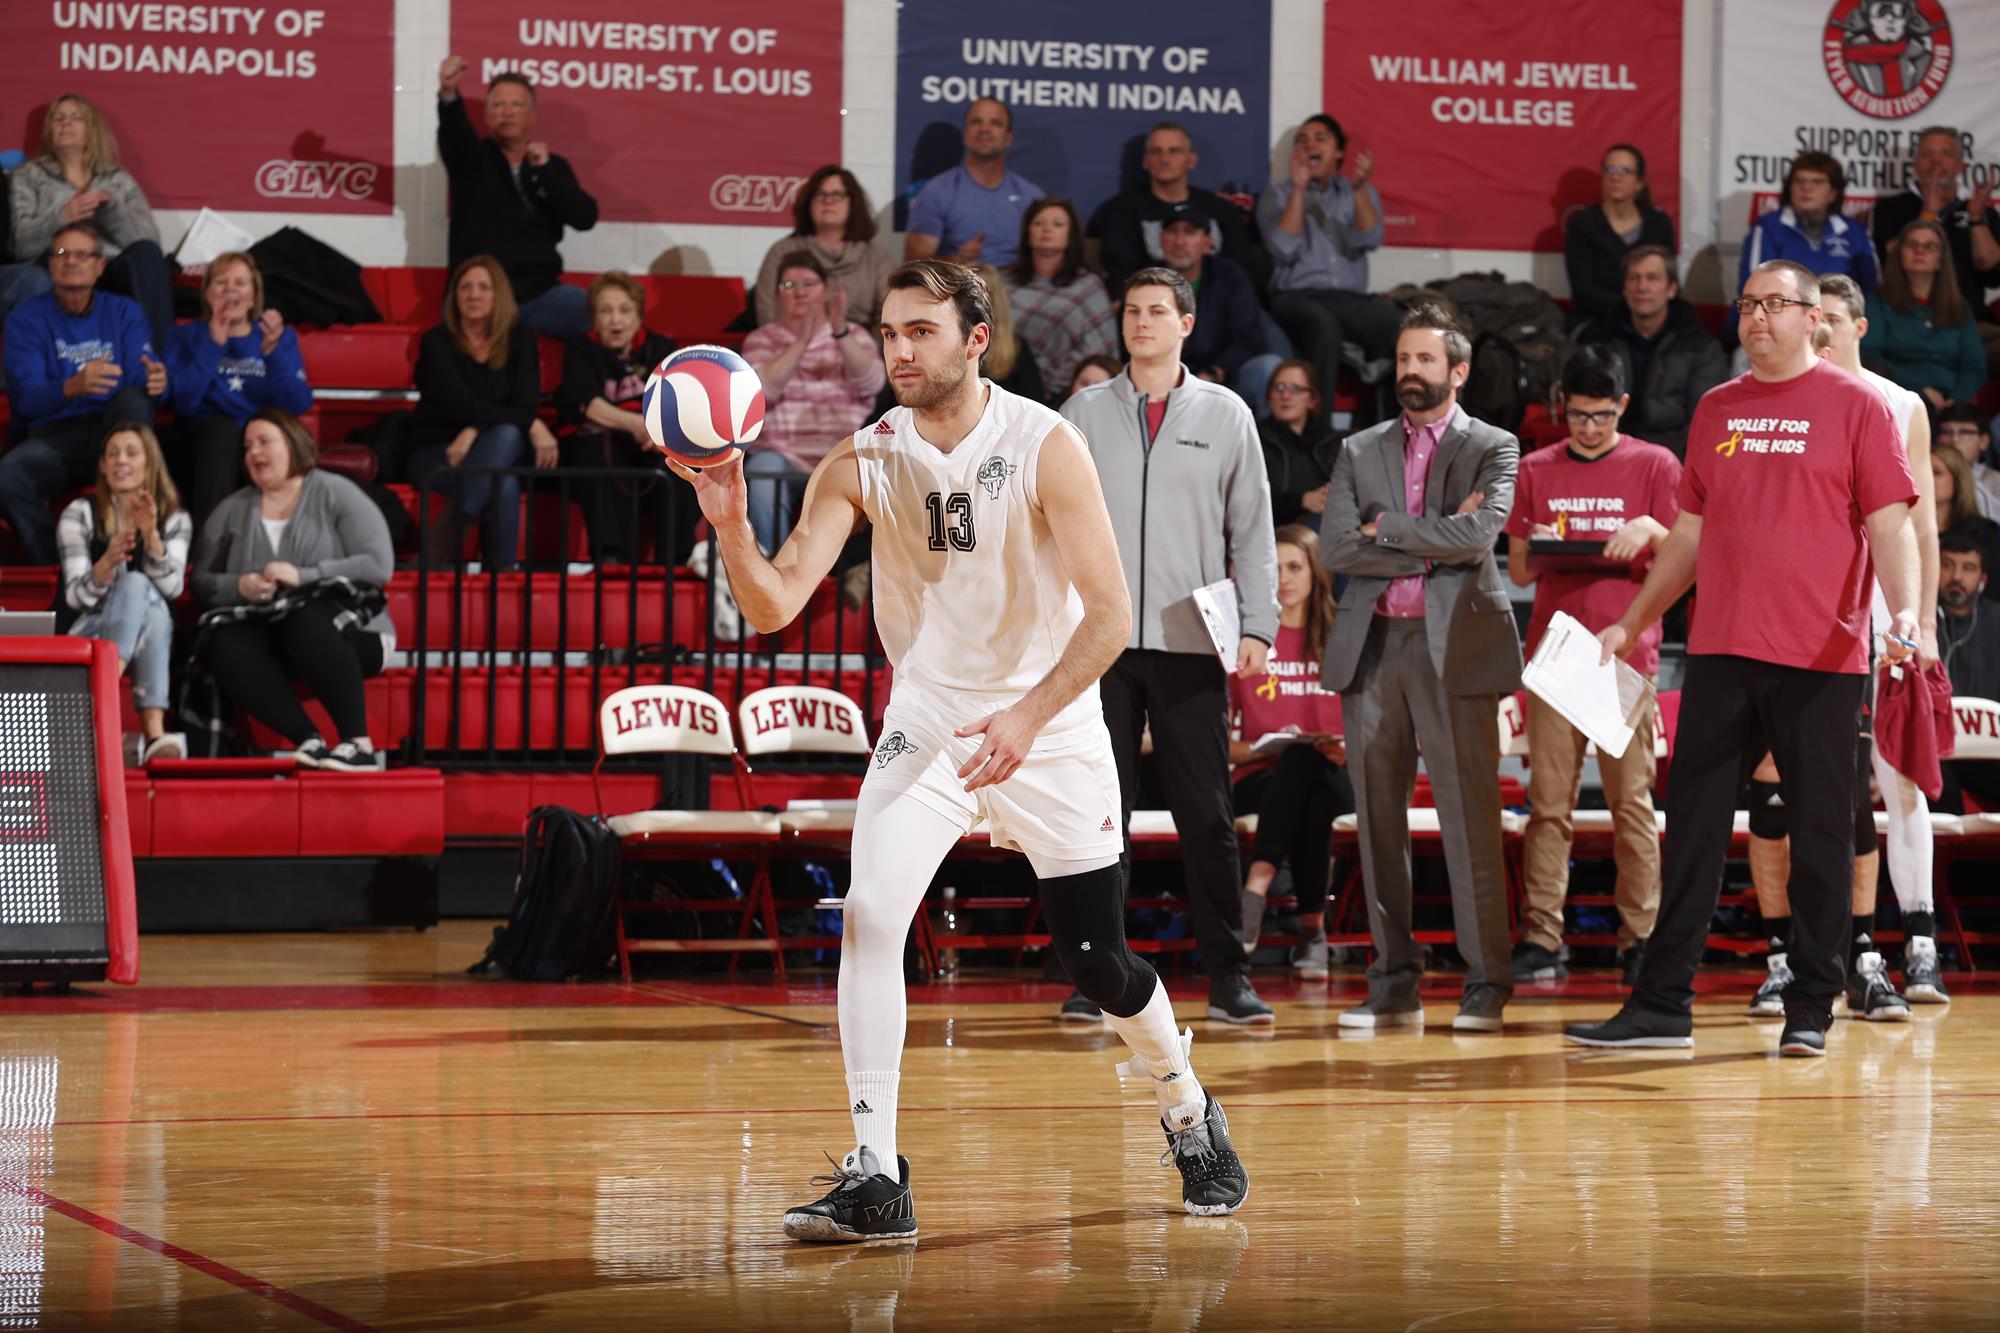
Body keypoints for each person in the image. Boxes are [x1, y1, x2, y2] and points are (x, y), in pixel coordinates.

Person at [669, 258, 1249, 1239]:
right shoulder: (860, 459)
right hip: (931, 724)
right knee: (868, 916)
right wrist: (728, 523)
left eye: (920, 332)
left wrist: (1025, 718)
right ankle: (874, 1173)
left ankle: (1185, 1103)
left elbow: (1109, 618)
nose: (898, 350)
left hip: (1049, 727)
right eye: (889, 332)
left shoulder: (1044, 443)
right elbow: (770, 606)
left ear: (975, 339)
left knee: (1095, 961)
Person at [1565, 259, 1923, 1058]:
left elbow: (1892, 521)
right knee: (1691, 828)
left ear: (1813, 320)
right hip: (1722, 652)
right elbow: (1688, 535)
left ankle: (1810, 1005)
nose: (1758, 317)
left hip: (1821, 656)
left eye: (1776, 305)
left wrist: (1903, 612)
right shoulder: (1716, 408)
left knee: (1822, 836)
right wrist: (1632, 619)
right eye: (1749, 305)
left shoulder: (1860, 406)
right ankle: (1661, 1003)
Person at [1064, 266, 1279, 1026]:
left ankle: (1228, 975)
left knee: (1208, 815)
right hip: (1100, 639)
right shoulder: (1083, 411)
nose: (1142, 321)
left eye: (1158, 310)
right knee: (1096, 813)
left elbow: (1253, 529)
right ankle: (1098, 974)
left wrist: (1260, 625)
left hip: (1192, 639)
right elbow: (1042, 522)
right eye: (1132, 310)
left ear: (1187, 323)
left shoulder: (1226, 414)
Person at [1322, 303, 1523, 1033]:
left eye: (1426, 360)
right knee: (1377, 822)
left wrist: (1391, 529)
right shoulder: (1359, 448)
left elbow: (1477, 537)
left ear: (1457, 370)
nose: (1410, 370)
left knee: (1469, 818)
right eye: (1404, 359)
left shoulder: (1494, 445)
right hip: (1374, 645)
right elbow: (1337, 550)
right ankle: (1393, 979)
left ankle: (1486, 982)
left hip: (1455, 648)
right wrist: (1428, 539)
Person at [1504, 347, 1679, 987]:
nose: (1588, 429)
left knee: (1631, 803)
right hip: (1557, 654)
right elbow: (1521, 567)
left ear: (1623, 407)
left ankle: (1641, 938)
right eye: (1578, 416)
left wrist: (1652, 530)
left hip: (1624, 654)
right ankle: (1543, 938)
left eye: (1602, 416)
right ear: (1561, 407)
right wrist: (1556, 544)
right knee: (1549, 806)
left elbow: (1687, 557)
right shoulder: (1536, 467)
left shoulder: (1655, 464)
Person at [1819, 272, 1945, 1009]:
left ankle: (1920, 942)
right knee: (1835, 787)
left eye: (1834, 318)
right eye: (1817, 319)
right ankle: (1849, 946)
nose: (1824, 331)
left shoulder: (1902, 404)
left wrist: (1920, 618)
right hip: (1823, 619)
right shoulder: (1796, 404)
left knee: (1901, 779)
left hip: (1889, 615)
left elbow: (1921, 525)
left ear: (1860, 327)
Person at [192, 410, 396, 772]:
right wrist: (239, 585)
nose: (254, 452)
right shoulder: (230, 509)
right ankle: (308, 740)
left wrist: (305, 576)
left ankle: (357, 743)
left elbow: (378, 564)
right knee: (221, 639)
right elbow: (202, 584)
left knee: (305, 616)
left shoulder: (336, 491)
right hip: (274, 634)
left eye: (264, 441)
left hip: (353, 632)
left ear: (293, 444)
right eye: (247, 446)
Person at [0, 220, 164, 565]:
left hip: (112, 430)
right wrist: (72, 386)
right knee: (8, 476)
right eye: (61, 253)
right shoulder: (26, 318)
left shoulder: (124, 312)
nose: (70, 261)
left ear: (99, 266)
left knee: (133, 405)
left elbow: (139, 377)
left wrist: (159, 382)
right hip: (55, 437)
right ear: (50, 264)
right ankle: (58, 568)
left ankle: (136, 560)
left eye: (81, 254)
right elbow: (26, 398)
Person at [1229, 523, 1352, 978]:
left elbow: (1373, 728)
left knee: (1310, 766)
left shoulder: (1344, 636)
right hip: (1259, 780)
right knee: (1303, 774)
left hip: (1338, 774)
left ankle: (1257, 884)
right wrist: (1262, 748)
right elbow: (1221, 743)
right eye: (1274, 568)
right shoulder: (1248, 641)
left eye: (1295, 566)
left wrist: (1345, 746)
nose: (1284, 578)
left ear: (1315, 571)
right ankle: (1313, 932)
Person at [407, 255, 555, 568]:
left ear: (498, 294)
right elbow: (461, 405)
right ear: (454, 296)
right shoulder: (437, 341)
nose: (473, 295)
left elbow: (525, 403)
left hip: (491, 448)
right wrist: (531, 423)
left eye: (484, 287)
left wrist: (473, 430)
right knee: (504, 481)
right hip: (438, 451)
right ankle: (500, 583)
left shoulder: (521, 339)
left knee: (505, 440)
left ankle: (438, 550)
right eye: (466, 287)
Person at [436, 58, 599, 341]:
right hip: (482, 295)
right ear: (487, 116)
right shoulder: (470, 160)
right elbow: (455, 135)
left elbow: (585, 218)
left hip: (540, 295)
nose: (507, 113)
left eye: (517, 105)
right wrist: (449, 94)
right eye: (498, 105)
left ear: (532, 115)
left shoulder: (552, 166)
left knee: (601, 311)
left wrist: (545, 171)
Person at [57, 424, 192, 763]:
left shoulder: (174, 518)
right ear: (102, 465)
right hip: (87, 628)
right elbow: (75, 598)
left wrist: (152, 537)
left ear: (150, 462)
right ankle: (154, 732)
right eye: (112, 453)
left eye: (132, 452)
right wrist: (106, 563)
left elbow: (172, 588)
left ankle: (101, 696)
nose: (121, 460)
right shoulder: (79, 513)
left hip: (147, 633)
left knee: (148, 599)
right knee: (139, 591)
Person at [740, 253, 886, 553]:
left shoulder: (853, 334)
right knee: (763, 474)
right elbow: (761, 392)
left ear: (827, 290)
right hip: (782, 457)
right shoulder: (762, 338)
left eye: (809, 283)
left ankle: (850, 578)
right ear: (777, 294)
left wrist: (840, 332)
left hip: (840, 458)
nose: (800, 291)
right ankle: (770, 578)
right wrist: (800, 343)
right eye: (790, 284)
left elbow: (873, 383)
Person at [7, 93, 174, 348]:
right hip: (60, 255)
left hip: (107, 260)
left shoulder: (117, 178)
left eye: (76, 117)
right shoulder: (28, 176)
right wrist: (63, 216)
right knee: (63, 252)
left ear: (91, 129)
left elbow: (148, 242)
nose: (66, 123)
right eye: (58, 118)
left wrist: (111, 211)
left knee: (146, 255)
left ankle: (155, 360)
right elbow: (21, 246)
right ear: (49, 130)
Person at [1257, 115, 1402, 408]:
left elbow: (1370, 238)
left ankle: (1395, 432)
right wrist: (1299, 190)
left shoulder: (1357, 192)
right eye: (1302, 139)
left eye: (1320, 138)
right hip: (1295, 298)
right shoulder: (1278, 194)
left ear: (1338, 152)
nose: (1309, 144)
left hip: (1349, 300)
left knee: (1394, 322)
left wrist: (1359, 189)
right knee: (1323, 326)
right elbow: (1283, 247)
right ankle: (1317, 439)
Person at [555, 271, 696, 566]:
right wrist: (634, 424)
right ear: (594, 318)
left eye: (624, 310)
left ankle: (677, 560)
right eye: (605, 311)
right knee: (597, 453)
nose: (615, 320)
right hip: (603, 441)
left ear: (638, 316)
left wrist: (657, 434)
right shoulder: (581, 350)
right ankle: (611, 557)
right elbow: (585, 402)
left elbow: (678, 402)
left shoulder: (662, 349)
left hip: (652, 443)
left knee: (679, 461)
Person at [164, 251, 315, 526]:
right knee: (220, 433)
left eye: (240, 282)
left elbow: (296, 405)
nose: (230, 288)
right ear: (207, 293)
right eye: (221, 282)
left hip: (256, 444)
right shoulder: (183, 336)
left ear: (253, 297)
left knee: (267, 442)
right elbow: (183, 403)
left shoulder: (278, 338)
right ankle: (211, 551)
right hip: (200, 445)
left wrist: (273, 354)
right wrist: (212, 346)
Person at [1571, 245, 1728, 457]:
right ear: (1625, 289)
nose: (1641, 287)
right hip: (1607, 457)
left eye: (1652, 278)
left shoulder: (1701, 347)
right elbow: (1584, 410)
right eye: (1634, 278)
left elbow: (1706, 424)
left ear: (1671, 289)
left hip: (1675, 459)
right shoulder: (1599, 341)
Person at [1869, 126, 2000, 372]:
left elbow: (1992, 274)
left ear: (1961, 166)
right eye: (1928, 154)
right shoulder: (1890, 208)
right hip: (1903, 322)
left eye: (1946, 154)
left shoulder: (1979, 210)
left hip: (1968, 323)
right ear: (1916, 165)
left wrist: (1976, 220)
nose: (1937, 161)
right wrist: (1928, 212)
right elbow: (1889, 262)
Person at [1091, 121, 1259, 294]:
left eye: (1174, 151)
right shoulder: (1122, 210)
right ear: (1146, 161)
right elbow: (1121, 274)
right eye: (1156, 151)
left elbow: (1244, 269)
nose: (1164, 159)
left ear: (1191, 161)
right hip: (1155, 305)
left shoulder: (1220, 209)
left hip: (1221, 304)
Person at [1157, 202, 1280, 411]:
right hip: (1164, 383)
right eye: (1172, 232)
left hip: (1224, 378)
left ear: (1207, 243)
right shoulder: (1149, 281)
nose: (1179, 241)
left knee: (1267, 367)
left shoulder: (1230, 276)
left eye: (1189, 232)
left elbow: (1247, 337)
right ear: (1161, 241)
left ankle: (1269, 442)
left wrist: (1215, 372)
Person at [1002, 198, 1119, 403]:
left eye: (1057, 224)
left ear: (1070, 236)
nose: (1047, 229)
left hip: (1059, 397)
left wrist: (1046, 383)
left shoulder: (1088, 287)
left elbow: (1097, 352)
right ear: (1028, 233)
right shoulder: (1004, 280)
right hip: (1000, 385)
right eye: (1039, 223)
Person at [1863, 218, 1984, 414]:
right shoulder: (1878, 301)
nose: (1920, 251)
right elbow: (1869, 355)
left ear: (1941, 259)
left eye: (1930, 246)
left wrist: (1956, 400)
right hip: (1897, 396)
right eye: (1912, 244)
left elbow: (1975, 364)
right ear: (1899, 253)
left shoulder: (1959, 307)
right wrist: (1918, 390)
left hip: (1951, 402)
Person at [904, 98, 1041, 269]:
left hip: (1018, 291)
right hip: (959, 289)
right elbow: (913, 263)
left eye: (995, 123)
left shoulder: (1031, 196)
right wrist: (957, 260)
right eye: (976, 122)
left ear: (1008, 138)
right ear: (965, 133)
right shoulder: (937, 192)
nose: (984, 129)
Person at [754, 166, 895, 329]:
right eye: (820, 194)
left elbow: (889, 316)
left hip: (859, 348)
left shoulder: (876, 256)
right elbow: (767, 313)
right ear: (808, 203)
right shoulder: (782, 251)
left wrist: (868, 350)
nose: (828, 201)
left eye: (837, 194)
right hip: (791, 346)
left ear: (853, 202)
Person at [1563, 143, 1678, 328]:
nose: (1616, 177)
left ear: (1639, 182)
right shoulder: (1583, 224)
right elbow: (1582, 290)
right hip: (1596, 320)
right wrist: (1633, 308)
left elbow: (1669, 280)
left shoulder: (1659, 223)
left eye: (1625, 170)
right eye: (1610, 169)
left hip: (1651, 318)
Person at [1737, 151, 1878, 295]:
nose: (1806, 188)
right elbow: (1754, 288)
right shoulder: (1768, 227)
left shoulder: (1855, 231)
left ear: (1833, 193)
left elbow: (1872, 290)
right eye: (1799, 181)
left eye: (1817, 182)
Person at [1938, 532, 2000, 817]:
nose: (1956, 577)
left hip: (1991, 747)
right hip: (1937, 750)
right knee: (1936, 785)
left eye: (1968, 568)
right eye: (1947, 565)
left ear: (1983, 579)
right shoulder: (1918, 621)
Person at [1258, 359, 1338, 531]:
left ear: (1312, 400)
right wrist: (1303, 500)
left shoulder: (1329, 441)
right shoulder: (1255, 438)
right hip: (1274, 530)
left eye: (1295, 389)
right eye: (1279, 388)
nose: (1286, 396)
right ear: (1269, 398)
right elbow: (1249, 501)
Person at [967, 263, 1046, 403]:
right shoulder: (943, 342)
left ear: (995, 300)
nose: (972, 302)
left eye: (981, 294)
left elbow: (1035, 401)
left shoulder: (1017, 346)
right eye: (966, 294)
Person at [1934, 443, 2000, 602]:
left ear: (1957, 479)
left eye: (1936, 472)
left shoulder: (1986, 534)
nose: (1925, 478)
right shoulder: (1904, 531)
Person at [1935, 403, 2000, 518]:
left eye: (1965, 432)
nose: (1954, 440)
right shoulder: (1925, 478)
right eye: (1947, 432)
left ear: (1984, 441)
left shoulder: (1997, 482)